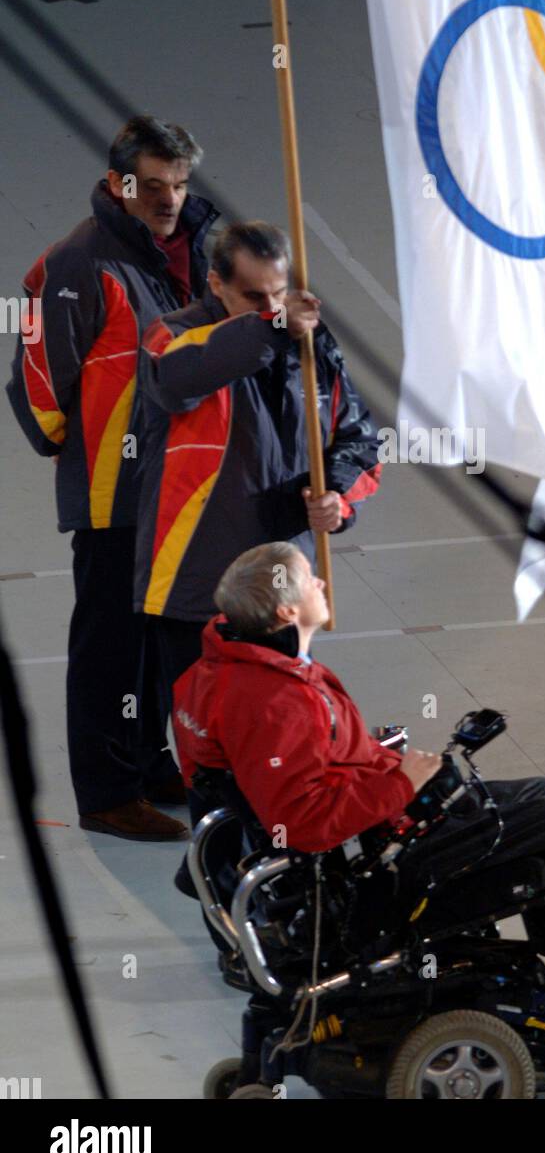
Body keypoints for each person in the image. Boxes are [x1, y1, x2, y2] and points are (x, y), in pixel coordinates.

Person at [173, 541, 545, 1049]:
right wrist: (401, 782)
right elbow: (305, 823)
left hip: (364, 832)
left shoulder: (221, 671)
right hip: (368, 876)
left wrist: (392, 764)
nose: (321, 581)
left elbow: (311, 766)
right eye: (309, 578)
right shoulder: (276, 701)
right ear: (287, 614)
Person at [6, 115, 219, 842]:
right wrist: (82, 448)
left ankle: (152, 764)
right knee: (109, 644)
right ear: (116, 183)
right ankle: (105, 792)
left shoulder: (186, 249)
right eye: (152, 185)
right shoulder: (78, 264)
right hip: (111, 491)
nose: (168, 199)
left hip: (175, 486)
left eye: (179, 185)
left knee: (163, 636)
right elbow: (39, 381)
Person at [132, 220, 381, 753]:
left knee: (286, 739)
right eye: (254, 296)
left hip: (283, 586)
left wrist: (335, 497)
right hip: (198, 584)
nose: (271, 305)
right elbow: (179, 382)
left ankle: (281, 836)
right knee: (211, 747)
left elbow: (359, 437)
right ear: (215, 284)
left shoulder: (313, 341)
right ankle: (220, 835)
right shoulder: (171, 337)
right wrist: (271, 327)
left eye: (278, 292)